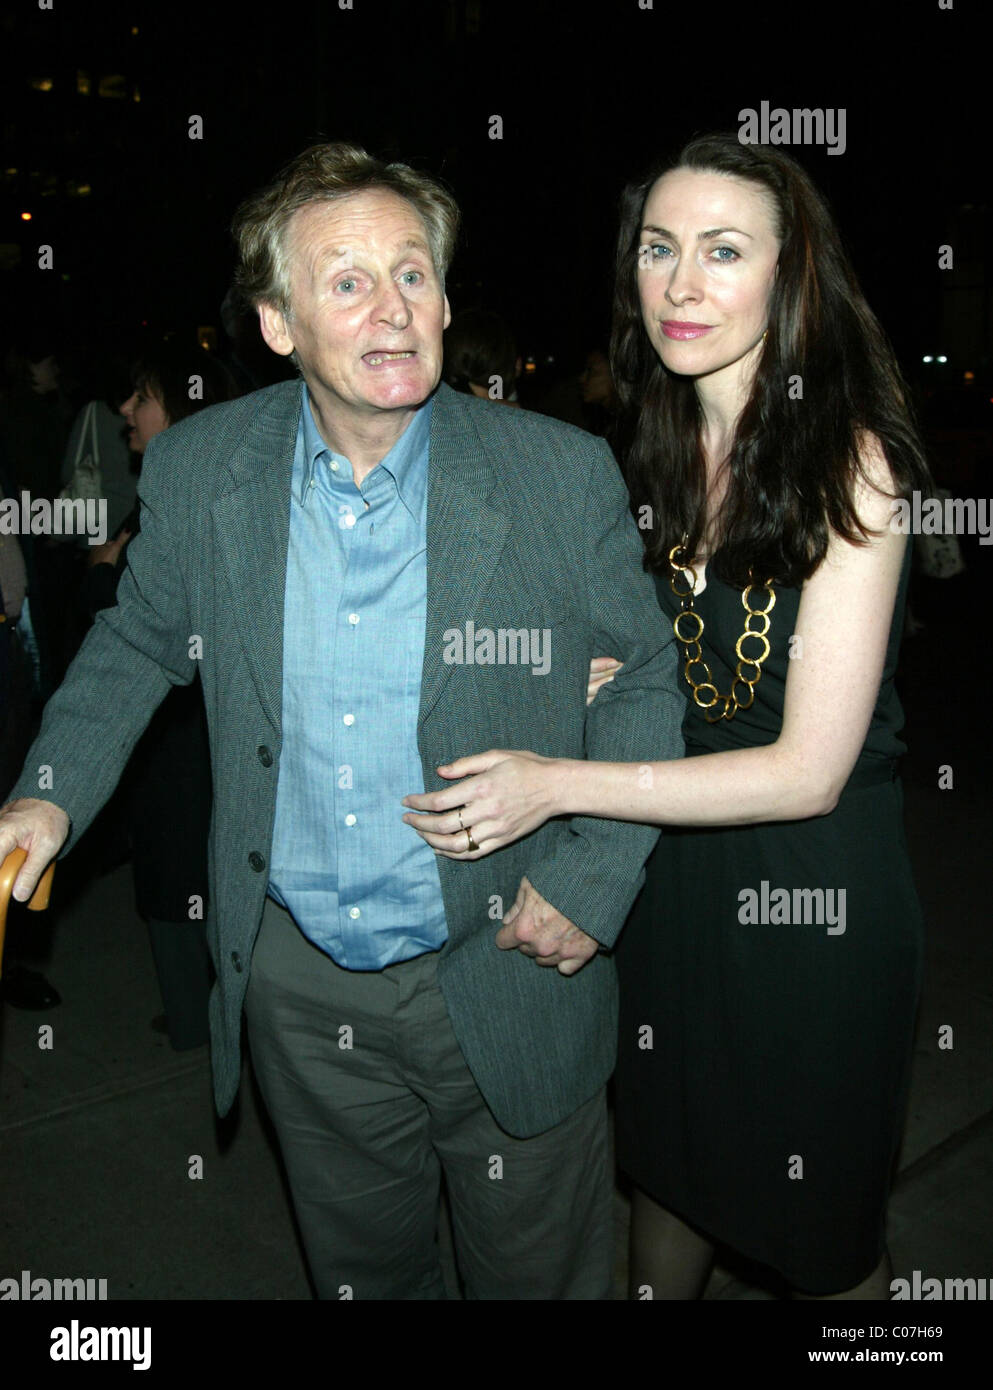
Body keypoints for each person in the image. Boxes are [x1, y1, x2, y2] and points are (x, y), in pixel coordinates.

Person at [0, 141, 683, 1300]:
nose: (393, 309)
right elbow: (136, 639)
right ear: (277, 322)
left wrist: (594, 880)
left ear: (448, 296)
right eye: (348, 280)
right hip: (305, 995)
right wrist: (49, 789)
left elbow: (645, 677)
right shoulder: (208, 469)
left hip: (510, 962)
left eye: (413, 274)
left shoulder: (555, 474)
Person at [400, 133, 929, 1301]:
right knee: (672, 1184)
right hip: (671, 888)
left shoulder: (854, 464)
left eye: (724, 251)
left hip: (810, 897)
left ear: (790, 276)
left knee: (823, 1238)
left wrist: (556, 779)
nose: (682, 283)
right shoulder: (647, 449)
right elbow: (659, 663)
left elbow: (806, 771)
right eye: (659, 249)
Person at [82, 342, 238, 1050]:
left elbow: (150, 630)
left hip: (188, 745)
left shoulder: (185, 504)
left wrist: (101, 577)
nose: (125, 411)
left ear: (177, 410)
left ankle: (198, 1022)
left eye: (141, 397)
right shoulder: (185, 495)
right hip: (184, 745)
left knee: (182, 881)